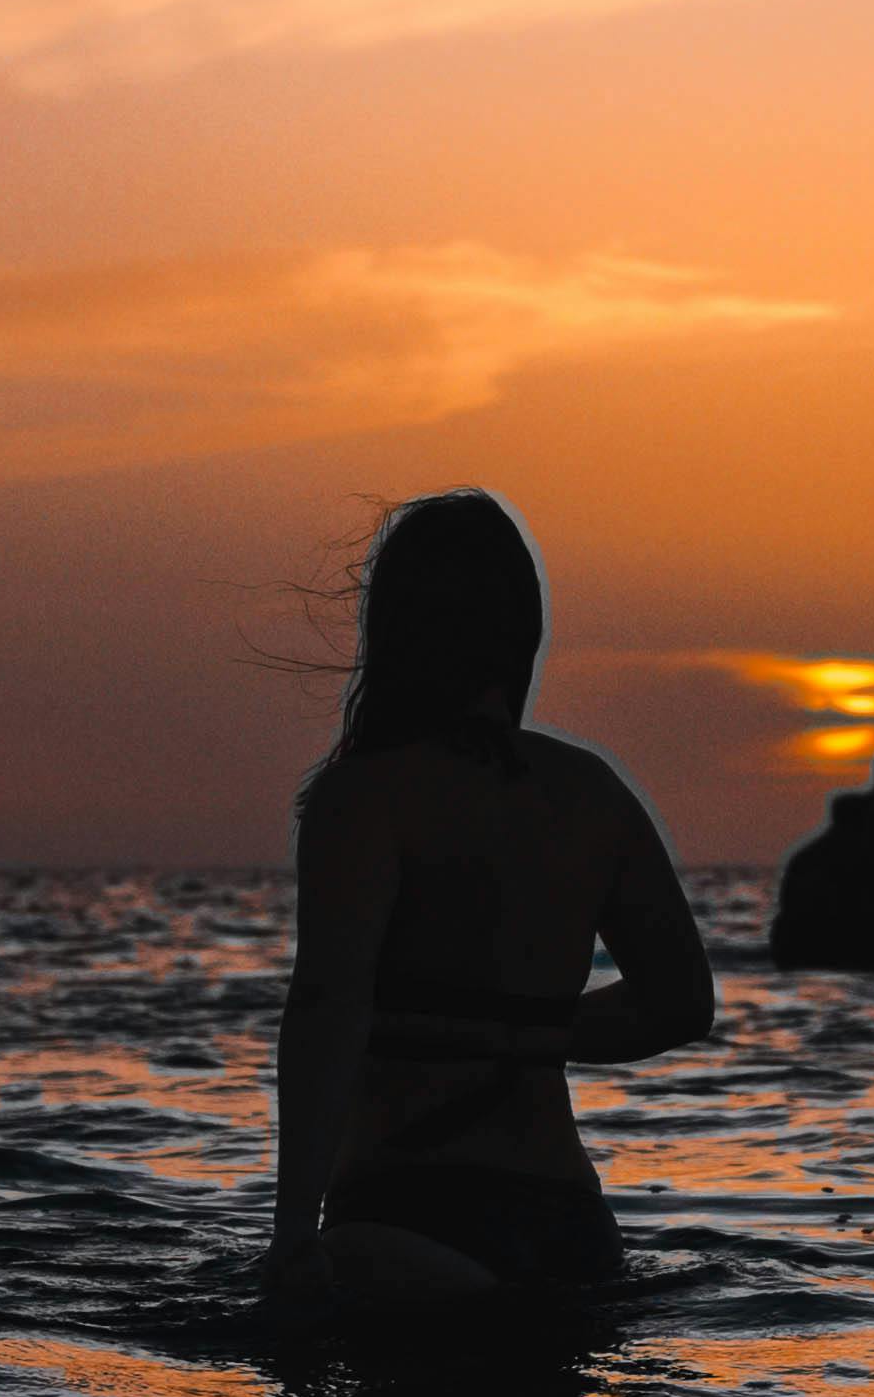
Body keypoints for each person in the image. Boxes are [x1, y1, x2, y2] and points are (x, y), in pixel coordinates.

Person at [269, 491, 716, 1315]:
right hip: (572, 1228)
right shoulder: (592, 793)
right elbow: (683, 1003)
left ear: (393, 632)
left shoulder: (362, 799)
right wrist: (525, 1034)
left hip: (408, 1216)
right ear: (521, 634)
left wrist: (294, 1239)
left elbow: (327, 1006)